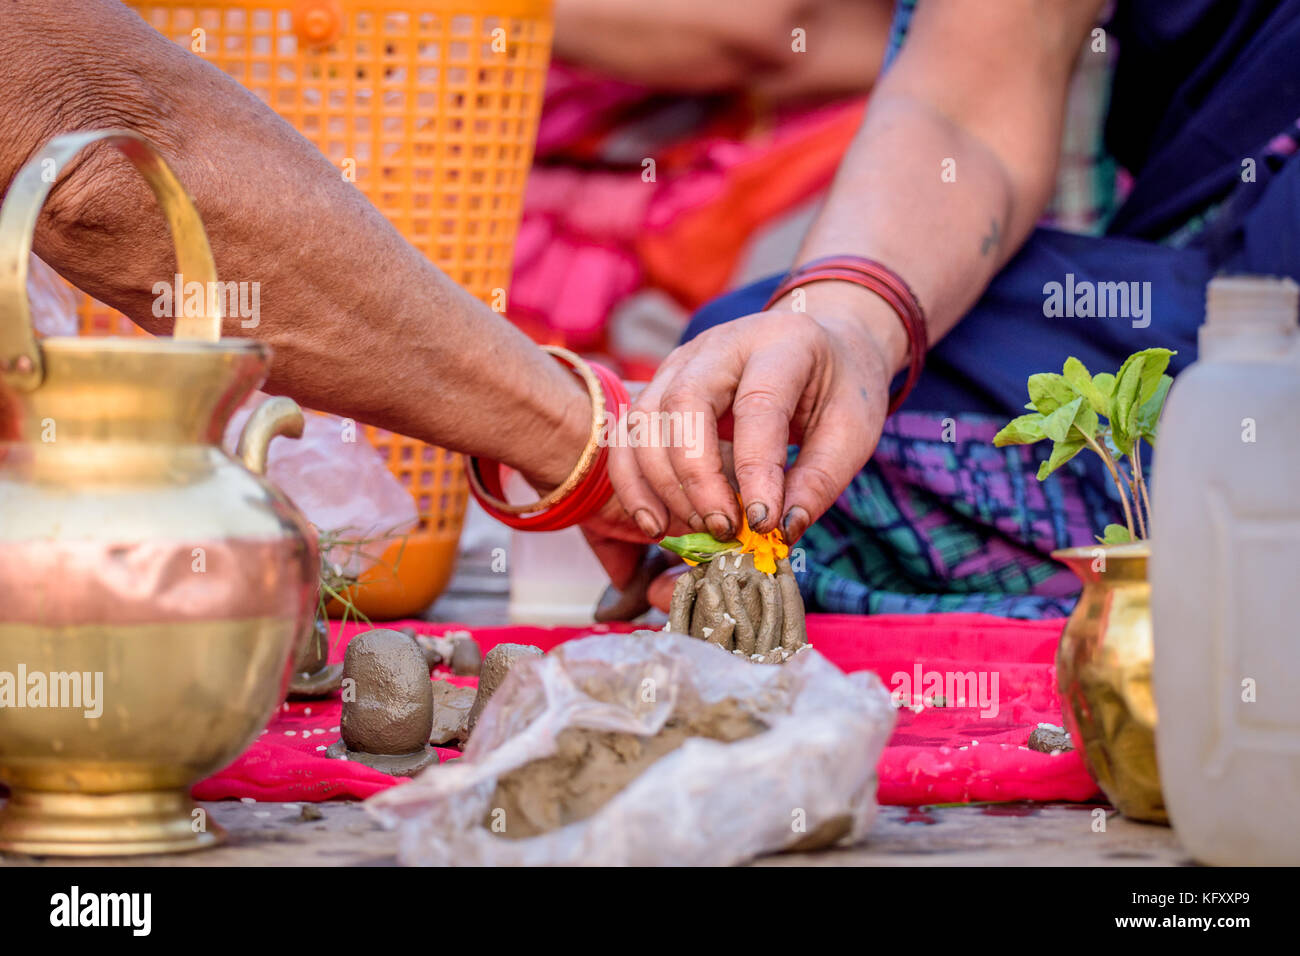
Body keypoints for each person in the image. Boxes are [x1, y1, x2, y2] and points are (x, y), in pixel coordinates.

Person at [609, 0, 1300, 617]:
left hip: (1258, 401)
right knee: (762, 409)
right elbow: (968, 102)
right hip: (1222, 320)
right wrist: (844, 324)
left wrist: (559, 431)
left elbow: (774, 28)